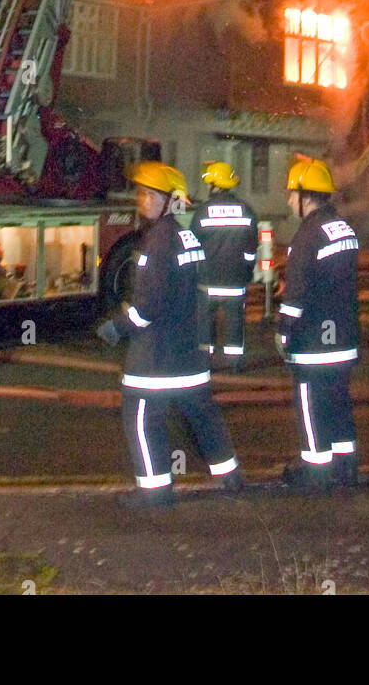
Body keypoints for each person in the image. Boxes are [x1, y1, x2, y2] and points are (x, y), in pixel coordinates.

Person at [97, 160, 243, 508]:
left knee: (141, 418)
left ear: (171, 200)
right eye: (141, 192)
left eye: (150, 194)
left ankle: (155, 491)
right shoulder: (186, 236)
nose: (141, 199)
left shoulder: (158, 242)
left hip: (156, 360)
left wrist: (117, 327)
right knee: (203, 415)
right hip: (189, 357)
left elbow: (147, 307)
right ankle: (230, 476)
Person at [275, 157, 360, 492]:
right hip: (343, 339)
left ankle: (317, 473)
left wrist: (283, 330)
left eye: (291, 194)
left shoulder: (307, 236)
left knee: (310, 407)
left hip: (313, 344)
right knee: (339, 403)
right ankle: (346, 467)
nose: (288, 201)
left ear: (305, 196)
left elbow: (296, 295)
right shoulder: (345, 229)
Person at [191, 161, 258, 371]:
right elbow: (251, 249)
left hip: (207, 281)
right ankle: (235, 363)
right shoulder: (246, 211)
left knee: (204, 324)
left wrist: (195, 273)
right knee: (235, 323)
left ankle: (204, 363)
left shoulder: (202, 212)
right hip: (235, 281)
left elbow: (192, 245)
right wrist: (246, 271)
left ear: (214, 185)